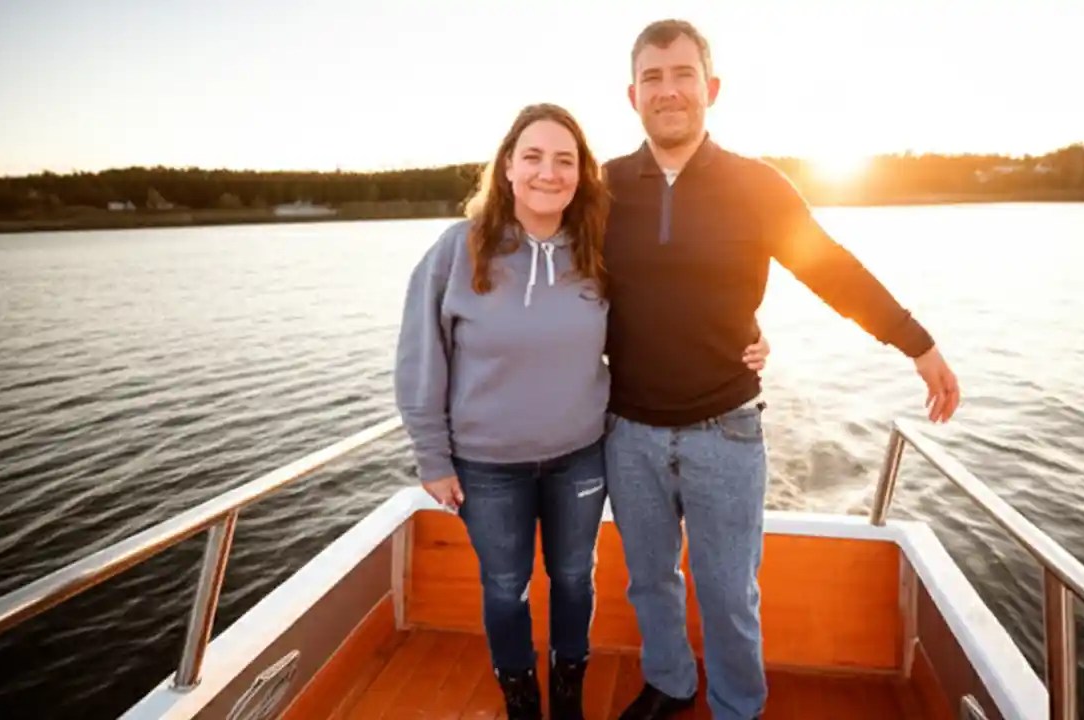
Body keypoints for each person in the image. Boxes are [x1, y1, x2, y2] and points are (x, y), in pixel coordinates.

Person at [601, 19, 962, 720]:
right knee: (649, 582)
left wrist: (918, 343)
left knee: (729, 591)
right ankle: (671, 683)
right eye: (652, 78)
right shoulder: (603, 187)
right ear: (631, 95)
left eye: (681, 75)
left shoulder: (756, 185)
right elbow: (556, 280)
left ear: (710, 88)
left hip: (725, 431)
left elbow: (832, 270)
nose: (667, 91)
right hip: (628, 433)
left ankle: (739, 707)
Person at [393, 103, 770, 720]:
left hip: (579, 456)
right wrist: (432, 456)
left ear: (581, 174)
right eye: (534, 157)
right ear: (508, 167)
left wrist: (749, 332)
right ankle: (522, 701)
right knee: (504, 587)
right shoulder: (457, 250)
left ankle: (567, 693)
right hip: (486, 464)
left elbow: (671, 306)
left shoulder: (597, 248)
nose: (549, 172)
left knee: (574, 579)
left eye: (564, 160)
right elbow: (419, 356)